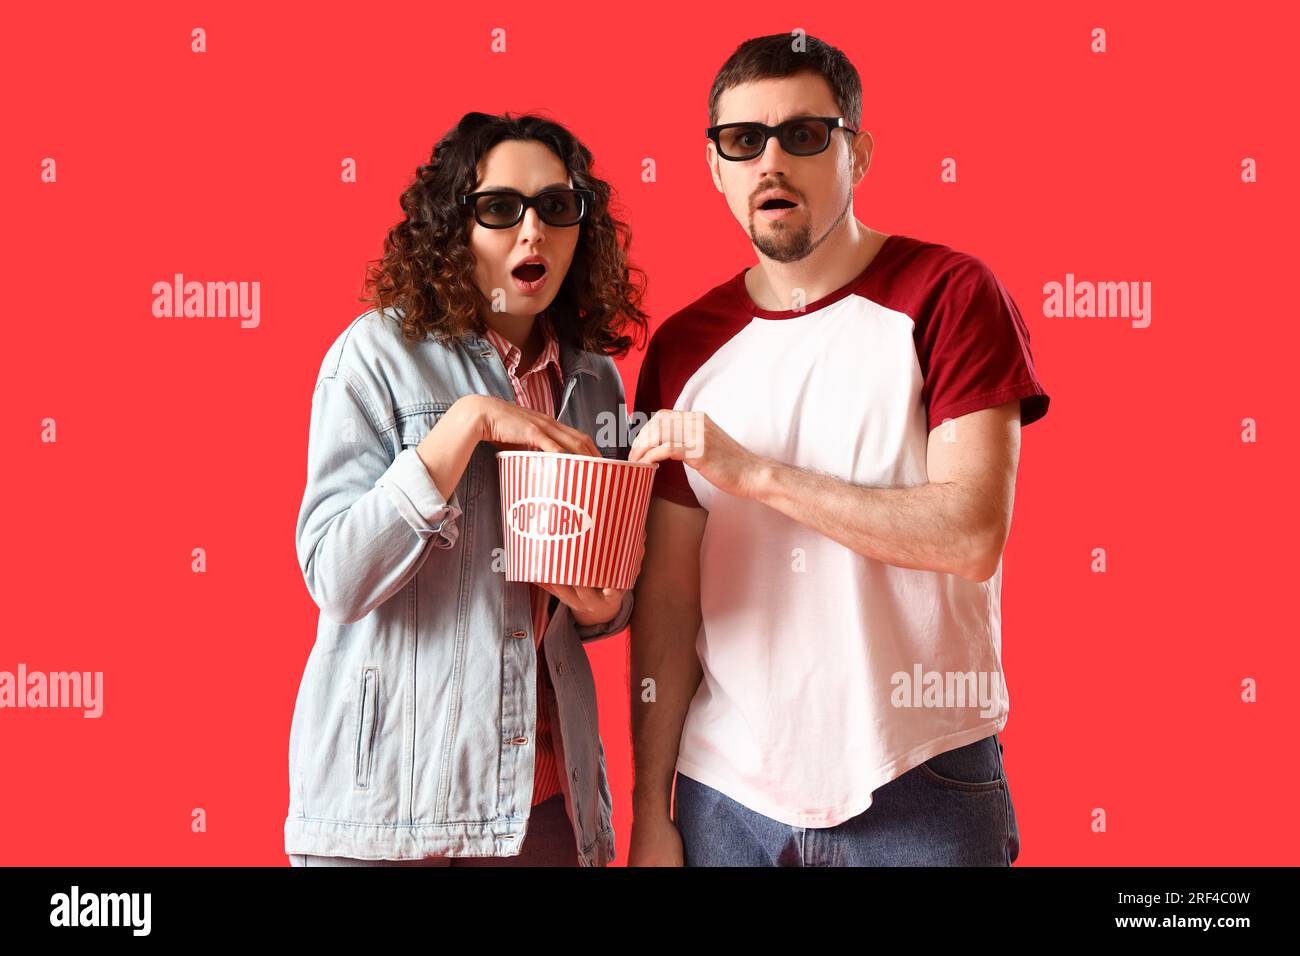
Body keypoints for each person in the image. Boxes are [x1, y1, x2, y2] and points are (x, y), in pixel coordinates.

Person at [627, 34, 1050, 866]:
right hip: (726, 796)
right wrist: (651, 808)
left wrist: (755, 474)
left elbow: (968, 534)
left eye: (805, 135)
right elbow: (668, 599)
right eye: (743, 141)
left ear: (857, 149)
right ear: (715, 167)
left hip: (921, 780)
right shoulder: (683, 347)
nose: (771, 161)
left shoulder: (951, 295)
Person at [286, 111, 648, 866]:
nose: (532, 231)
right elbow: (339, 578)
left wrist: (603, 601)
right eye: (499, 208)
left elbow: (601, 608)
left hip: (544, 810)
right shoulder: (376, 356)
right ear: (455, 228)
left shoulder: (595, 382)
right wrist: (467, 425)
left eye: (555, 206)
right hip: (392, 814)